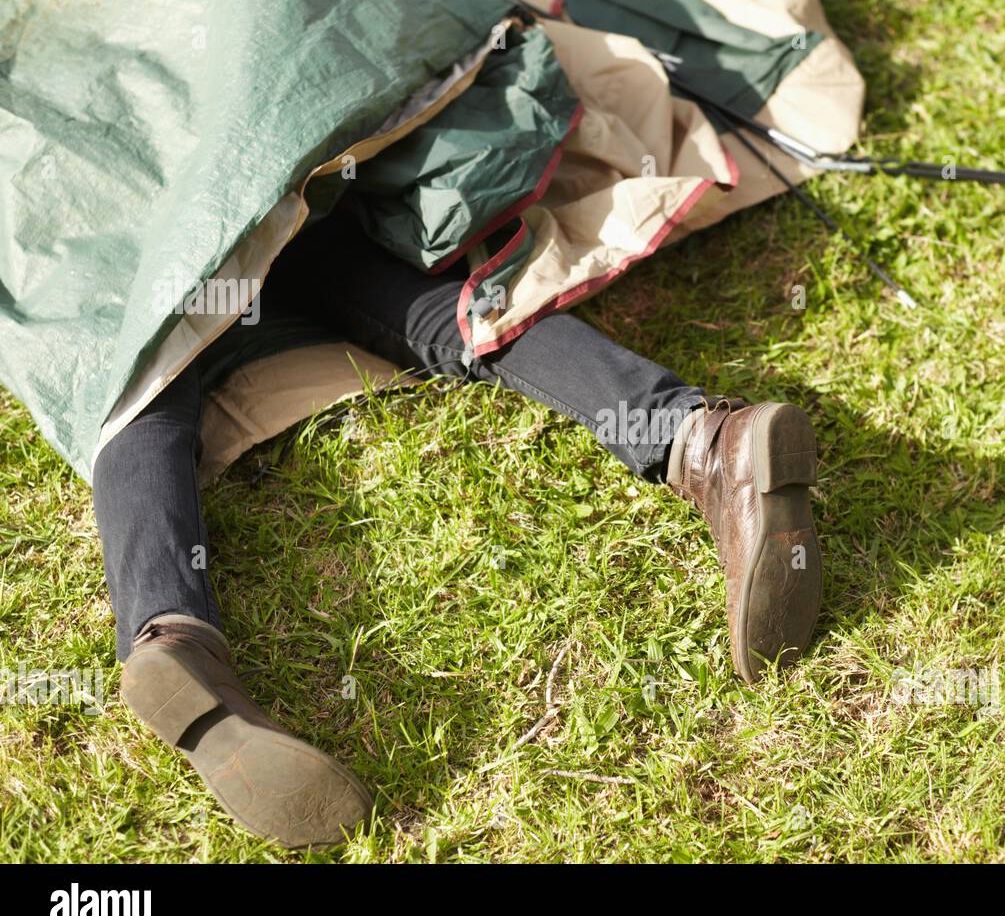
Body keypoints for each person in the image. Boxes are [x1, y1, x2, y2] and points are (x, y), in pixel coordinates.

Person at [94, 209, 823, 849]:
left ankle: (174, 636)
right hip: (281, 211)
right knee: (450, 316)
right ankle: (704, 440)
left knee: (141, 389)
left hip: (127, 252)